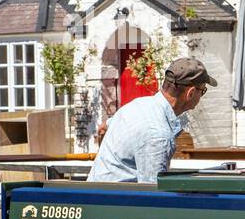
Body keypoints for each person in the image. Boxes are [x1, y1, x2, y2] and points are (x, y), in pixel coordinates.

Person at [88, 57, 216, 184]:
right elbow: (152, 192)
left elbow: (103, 127)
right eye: (202, 91)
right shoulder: (158, 135)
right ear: (191, 93)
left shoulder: (138, 105)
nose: (201, 96)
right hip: (114, 201)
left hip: (93, 194)